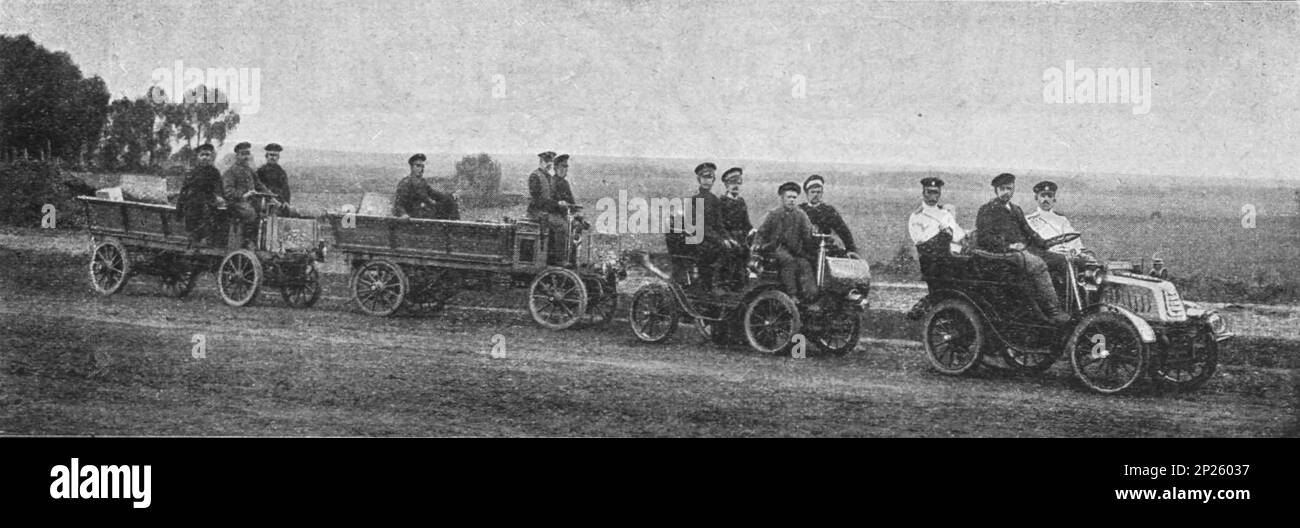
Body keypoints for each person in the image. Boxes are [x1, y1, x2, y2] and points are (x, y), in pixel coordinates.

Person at [974, 172, 1069, 324]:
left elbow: (1028, 231)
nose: (1006, 192)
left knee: (1061, 260)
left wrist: (1046, 244)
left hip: (1022, 251)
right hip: (1003, 254)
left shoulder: (1015, 209)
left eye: (1009, 188)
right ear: (996, 190)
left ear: (1013, 190)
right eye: (1003, 188)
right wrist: (1008, 246)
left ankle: (1067, 305)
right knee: (1038, 265)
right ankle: (1054, 311)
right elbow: (983, 238)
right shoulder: (987, 209)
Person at [754, 181, 819, 304]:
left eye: (794, 197)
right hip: (775, 249)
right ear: (782, 198)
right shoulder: (774, 214)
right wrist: (757, 245)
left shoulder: (801, 215)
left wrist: (812, 245)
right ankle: (792, 294)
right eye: (789, 197)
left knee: (805, 264)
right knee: (788, 261)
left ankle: (809, 295)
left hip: (794, 250)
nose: (792, 200)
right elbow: (761, 233)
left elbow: (807, 236)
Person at [687, 162, 739, 292]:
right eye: (704, 178)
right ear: (699, 179)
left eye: (710, 178)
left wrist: (728, 238)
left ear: (713, 180)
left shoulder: (714, 200)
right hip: (699, 240)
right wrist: (720, 240)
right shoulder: (695, 199)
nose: (707, 181)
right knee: (718, 250)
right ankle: (712, 286)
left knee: (736, 248)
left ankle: (729, 284)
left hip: (711, 238)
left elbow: (719, 224)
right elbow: (701, 227)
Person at [222, 141, 271, 248]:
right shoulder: (230, 172)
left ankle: (265, 243)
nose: (246, 157)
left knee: (268, 212)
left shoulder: (250, 171)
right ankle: (247, 241)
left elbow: (259, 185)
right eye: (243, 154)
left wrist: (271, 196)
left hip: (249, 202)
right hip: (235, 203)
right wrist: (244, 195)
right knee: (250, 213)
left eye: (247, 154)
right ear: (237, 156)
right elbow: (228, 191)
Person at [799, 174, 859, 259]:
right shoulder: (800, 210)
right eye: (812, 192)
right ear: (807, 193)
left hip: (825, 247)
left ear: (822, 193)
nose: (815, 195)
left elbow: (843, 231)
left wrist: (851, 249)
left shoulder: (828, 211)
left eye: (818, 192)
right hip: (805, 248)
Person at [177, 143, 224, 247]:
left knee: (209, 214)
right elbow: (184, 190)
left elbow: (219, 187)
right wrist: (179, 207)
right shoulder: (192, 172)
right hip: (193, 201)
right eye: (202, 155)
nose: (204, 158)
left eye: (207, 155)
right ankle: (193, 239)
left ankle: (204, 239)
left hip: (208, 201)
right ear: (198, 157)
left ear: (211, 157)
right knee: (192, 212)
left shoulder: (214, 172)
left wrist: (219, 196)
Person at [907, 176, 966, 257]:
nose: (932, 196)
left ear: (940, 194)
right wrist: (942, 233)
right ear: (923, 193)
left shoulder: (945, 213)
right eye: (929, 192)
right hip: (929, 258)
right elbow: (920, 241)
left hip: (949, 256)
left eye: (935, 192)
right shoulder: (917, 216)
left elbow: (958, 236)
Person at [1024, 180, 1085, 255]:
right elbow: (1028, 244)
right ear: (1036, 197)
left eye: (1050, 196)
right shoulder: (1028, 220)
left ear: (1054, 199)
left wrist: (1072, 250)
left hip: (1065, 254)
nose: (1046, 199)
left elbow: (1075, 242)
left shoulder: (1062, 220)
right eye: (1043, 196)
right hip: (1043, 256)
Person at [393, 153, 459, 220]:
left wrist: (450, 196)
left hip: (425, 215)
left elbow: (435, 194)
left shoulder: (422, 182)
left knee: (450, 201)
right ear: (411, 167)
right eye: (418, 166)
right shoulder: (405, 183)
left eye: (422, 166)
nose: (421, 169)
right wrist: (403, 214)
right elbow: (398, 204)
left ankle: (457, 226)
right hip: (413, 217)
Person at [718, 167, 752, 288]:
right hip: (729, 236)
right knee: (734, 253)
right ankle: (727, 285)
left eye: (738, 183)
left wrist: (753, 231)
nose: (735, 186)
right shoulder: (721, 202)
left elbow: (746, 223)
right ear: (726, 185)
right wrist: (727, 238)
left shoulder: (741, 202)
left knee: (749, 252)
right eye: (732, 183)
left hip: (741, 236)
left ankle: (743, 282)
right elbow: (720, 224)